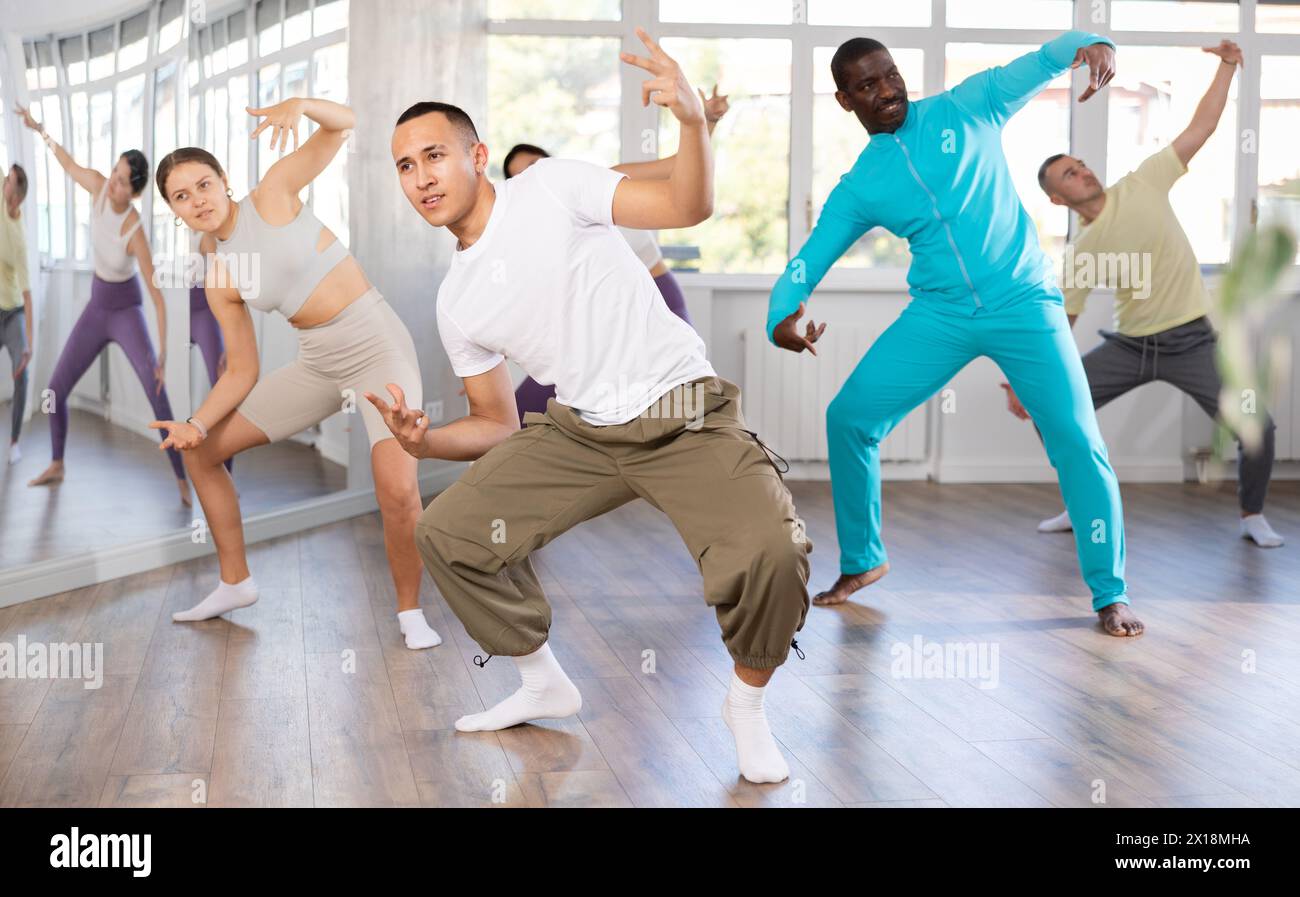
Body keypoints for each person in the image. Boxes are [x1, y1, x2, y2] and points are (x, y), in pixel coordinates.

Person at [374, 29, 811, 784]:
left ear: (477, 157)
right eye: (405, 166)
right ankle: (543, 679)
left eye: (434, 155)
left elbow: (688, 202)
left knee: (770, 554)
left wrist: (691, 123)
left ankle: (746, 702)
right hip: (582, 434)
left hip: (684, 414)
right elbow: (496, 425)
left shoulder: (552, 187)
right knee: (448, 531)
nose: (421, 177)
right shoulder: (456, 299)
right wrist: (424, 442)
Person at [768, 31, 1145, 637]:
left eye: (889, 74)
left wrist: (1091, 43)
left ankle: (1110, 593)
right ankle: (864, 561)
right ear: (845, 101)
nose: (887, 90)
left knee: (1077, 440)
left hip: (1025, 303)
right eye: (867, 85)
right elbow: (808, 261)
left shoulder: (968, 105)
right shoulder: (862, 184)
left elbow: (1039, 60)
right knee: (850, 418)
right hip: (940, 314)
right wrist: (780, 316)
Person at [151, 97, 441, 650]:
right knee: (202, 453)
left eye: (203, 185)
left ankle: (410, 611)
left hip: (377, 349)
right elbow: (241, 371)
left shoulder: (274, 193)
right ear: (175, 211)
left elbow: (346, 124)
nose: (197, 201)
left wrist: (301, 105)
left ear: (224, 182)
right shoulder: (219, 277)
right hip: (318, 365)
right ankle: (235, 583)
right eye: (181, 197)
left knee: (398, 490)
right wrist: (196, 423)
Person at [1016, 40, 1281, 549]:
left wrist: (1228, 66)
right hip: (1132, 346)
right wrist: (1033, 379)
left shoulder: (1144, 183)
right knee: (1051, 408)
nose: (1084, 171)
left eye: (1082, 163)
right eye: (1070, 173)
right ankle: (1081, 504)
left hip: (1194, 342)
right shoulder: (1083, 249)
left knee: (1259, 426)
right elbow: (1062, 324)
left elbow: (1200, 128)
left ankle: (1252, 514)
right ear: (1057, 198)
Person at [501, 86, 728, 422]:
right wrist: (491, 357)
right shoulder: (534, 234)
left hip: (660, 302)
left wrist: (703, 121)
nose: (529, 177)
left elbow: (678, 166)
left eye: (534, 166)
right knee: (522, 410)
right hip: (604, 325)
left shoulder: (599, 183)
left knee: (678, 411)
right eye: (518, 177)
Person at [17, 105, 188, 501]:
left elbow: (157, 297)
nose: (114, 182)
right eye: (115, 172)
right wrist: (39, 129)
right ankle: (57, 464)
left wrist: (162, 353)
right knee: (56, 388)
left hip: (126, 310)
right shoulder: (96, 187)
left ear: (136, 192)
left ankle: (182, 479)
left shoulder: (135, 231)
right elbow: (66, 162)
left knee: (156, 391)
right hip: (97, 306)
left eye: (124, 181)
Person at [1, 163, 32, 465]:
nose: (4, 185)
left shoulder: (19, 238)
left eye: (8, 183)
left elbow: (27, 294)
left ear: (17, 196)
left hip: (11, 313)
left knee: (21, 375)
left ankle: (13, 442)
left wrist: (29, 344)